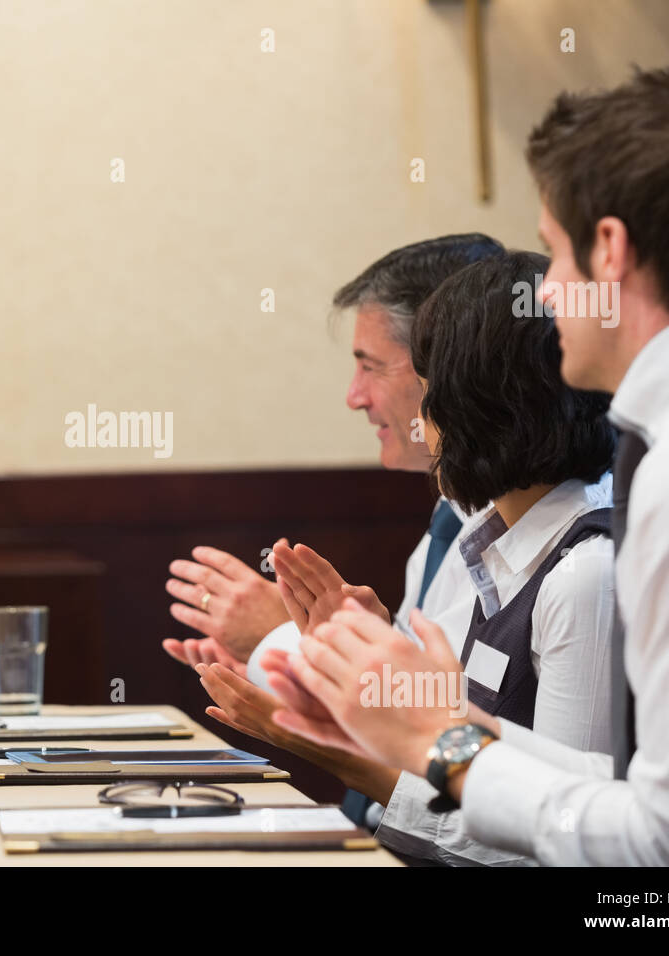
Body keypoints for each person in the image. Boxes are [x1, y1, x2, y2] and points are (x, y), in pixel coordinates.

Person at [268, 64, 669, 865]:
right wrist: (444, 731)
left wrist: (448, 746)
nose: (548, 292)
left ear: (609, 251)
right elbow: (643, 794)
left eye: (553, 254)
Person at [254, 250, 617, 864]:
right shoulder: (498, 550)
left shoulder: (585, 573)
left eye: (429, 392)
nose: (423, 422)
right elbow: (475, 757)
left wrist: (337, 747)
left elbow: (558, 842)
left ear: (480, 406)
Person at [162, 235, 503, 828]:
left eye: (370, 366)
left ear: (443, 367)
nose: (353, 397)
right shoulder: (449, 520)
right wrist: (284, 665)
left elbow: (479, 778)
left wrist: (289, 638)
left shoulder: (558, 550)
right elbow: (405, 727)